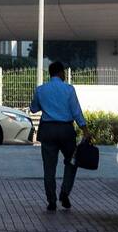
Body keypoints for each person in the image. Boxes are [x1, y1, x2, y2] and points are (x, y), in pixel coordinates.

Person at [29, 61, 87, 212]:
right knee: (72, 162)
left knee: (49, 168)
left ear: (50, 73)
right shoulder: (68, 89)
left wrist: (45, 105)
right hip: (66, 131)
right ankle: (64, 193)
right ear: (61, 73)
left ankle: (51, 201)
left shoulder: (41, 90)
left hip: (47, 131)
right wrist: (85, 129)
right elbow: (76, 112)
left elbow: (33, 109)